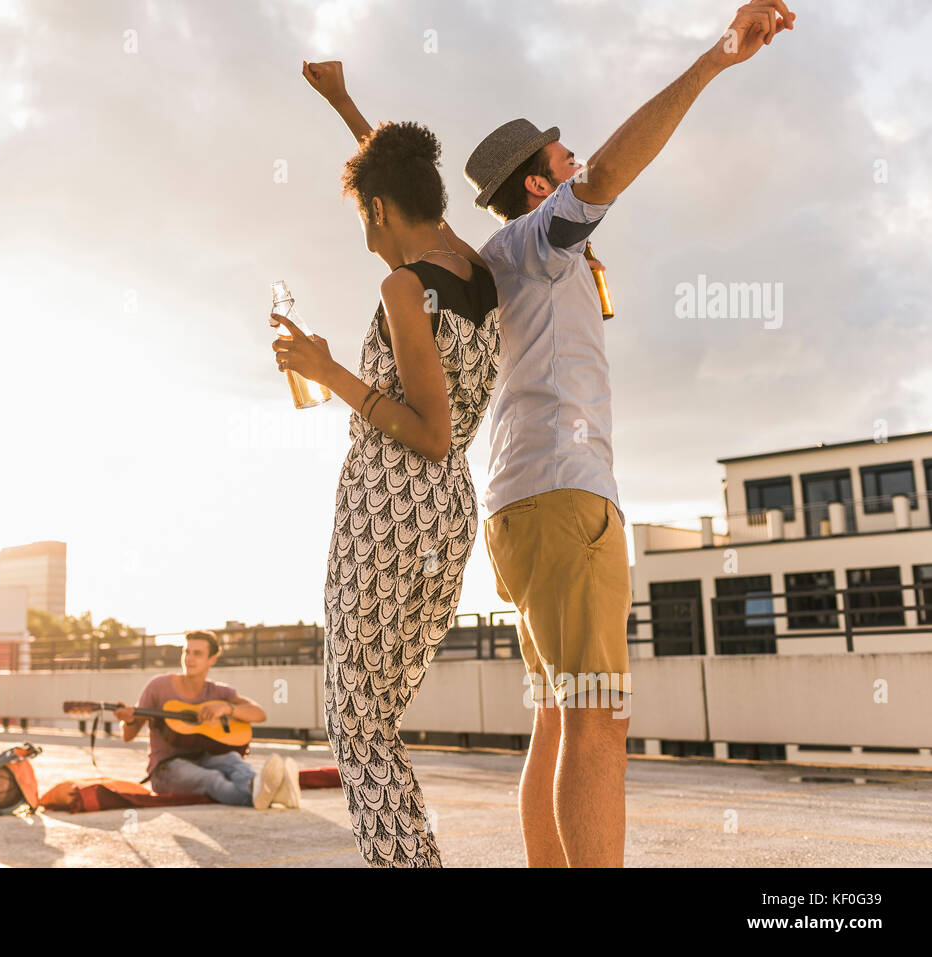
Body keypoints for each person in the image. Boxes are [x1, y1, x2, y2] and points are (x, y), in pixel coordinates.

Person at [450, 0, 795, 867]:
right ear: (538, 185)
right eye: (560, 160)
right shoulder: (541, 238)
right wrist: (717, 58)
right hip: (569, 497)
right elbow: (608, 169)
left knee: (560, 714)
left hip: (516, 505)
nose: (575, 164)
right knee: (600, 717)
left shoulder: (502, 259)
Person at [271, 63, 501, 866]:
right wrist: (345, 107)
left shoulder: (404, 288)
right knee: (376, 717)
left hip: (391, 507)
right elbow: (402, 181)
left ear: (375, 210)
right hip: (449, 513)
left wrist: (329, 369)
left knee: (355, 719)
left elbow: (428, 432)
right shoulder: (475, 269)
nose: (363, 232)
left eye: (364, 215)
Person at [114, 630, 300, 810]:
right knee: (211, 778)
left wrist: (226, 708)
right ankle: (268, 795)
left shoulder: (218, 692)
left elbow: (259, 714)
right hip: (167, 769)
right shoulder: (158, 686)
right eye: (186, 652)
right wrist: (128, 720)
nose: (189, 658)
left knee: (233, 760)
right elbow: (128, 736)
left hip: (205, 758)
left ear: (212, 659)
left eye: (197, 653)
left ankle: (269, 791)